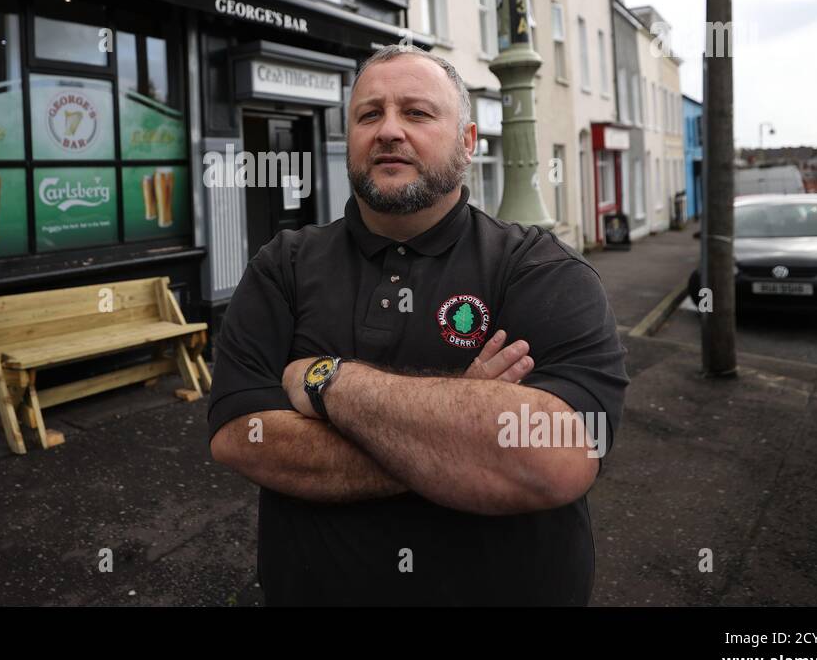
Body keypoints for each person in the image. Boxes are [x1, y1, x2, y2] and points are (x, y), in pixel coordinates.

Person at [207, 44, 628, 605]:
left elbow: (555, 456)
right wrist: (463, 430)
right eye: (368, 114)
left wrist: (326, 381)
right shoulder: (281, 265)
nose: (388, 131)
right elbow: (243, 437)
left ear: (468, 141)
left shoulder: (541, 269)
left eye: (417, 112)